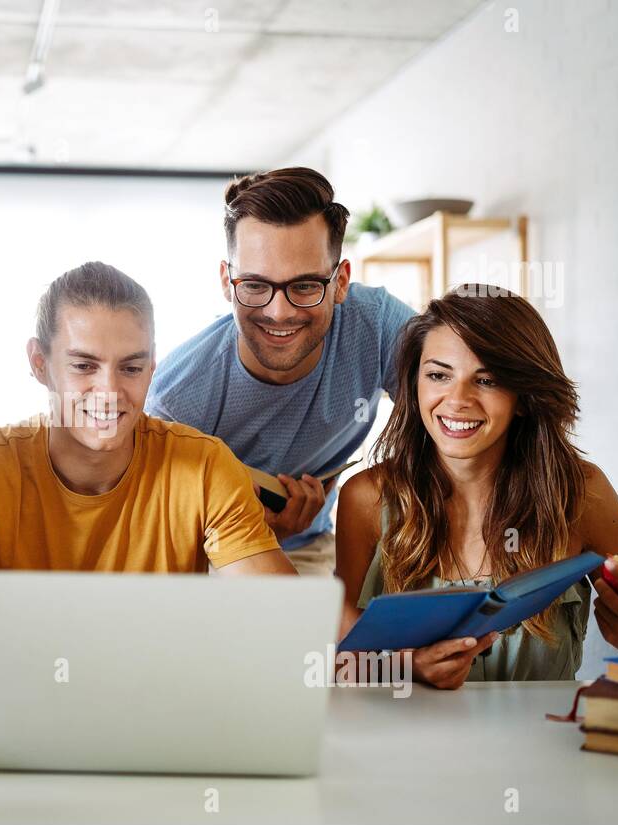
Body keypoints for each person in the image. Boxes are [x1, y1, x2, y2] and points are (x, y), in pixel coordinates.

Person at [0, 262, 297, 695]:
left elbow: (289, 621)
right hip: (22, 710)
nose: (110, 392)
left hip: (155, 713)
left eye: (131, 369)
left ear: (153, 367)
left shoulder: (205, 466)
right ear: (40, 363)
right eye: (83, 366)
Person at [335, 285, 618, 688]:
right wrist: (407, 668)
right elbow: (335, 665)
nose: (457, 399)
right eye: (438, 375)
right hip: (407, 746)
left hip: (546, 744)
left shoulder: (582, 493)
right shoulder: (366, 498)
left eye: (487, 380)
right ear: (415, 384)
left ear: (524, 396)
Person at [145, 167, 415, 575]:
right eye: (254, 285)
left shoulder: (374, 324)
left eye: (305, 286)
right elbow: (162, 537)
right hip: (205, 558)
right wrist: (254, 533)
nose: (279, 312)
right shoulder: (175, 398)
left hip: (313, 545)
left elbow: (448, 397)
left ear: (341, 282)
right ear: (226, 281)